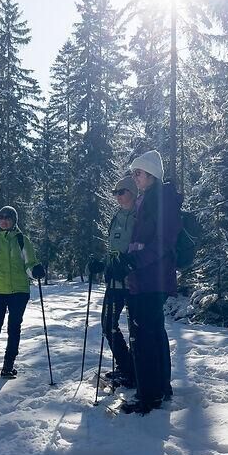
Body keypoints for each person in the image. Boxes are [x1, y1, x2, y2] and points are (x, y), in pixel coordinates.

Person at [108, 150, 182, 415]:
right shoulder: (150, 199)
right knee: (154, 333)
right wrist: (125, 261)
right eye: (134, 173)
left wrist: (134, 261)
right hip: (146, 278)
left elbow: (163, 242)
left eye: (138, 173)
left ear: (151, 174)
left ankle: (148, 396)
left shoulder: (161, 200)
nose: (135, 177)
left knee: (144, 336)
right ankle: (160, 388)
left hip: (152, 278)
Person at [0, 206, 45, 379]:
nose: (4, 220)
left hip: (19, 291)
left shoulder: (22, 240)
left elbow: (29, 264)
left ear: (14, 220)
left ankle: (8, 366)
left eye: (8, 217)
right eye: (0, 217)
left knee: (14, 329)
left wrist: (35, 272)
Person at [88, 175, 138, 388]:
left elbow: (143, 249)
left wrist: (127, 264)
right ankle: (127, 367)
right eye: (115, 193)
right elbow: (112, 250)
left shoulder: (141, 216)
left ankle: (136, 370)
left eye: (121, 192)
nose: (117, 196)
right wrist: (102, 264)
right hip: (114, 283)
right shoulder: (115, 217)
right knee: (108, 325)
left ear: (132, 192)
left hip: (135, 284)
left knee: (137, 330)